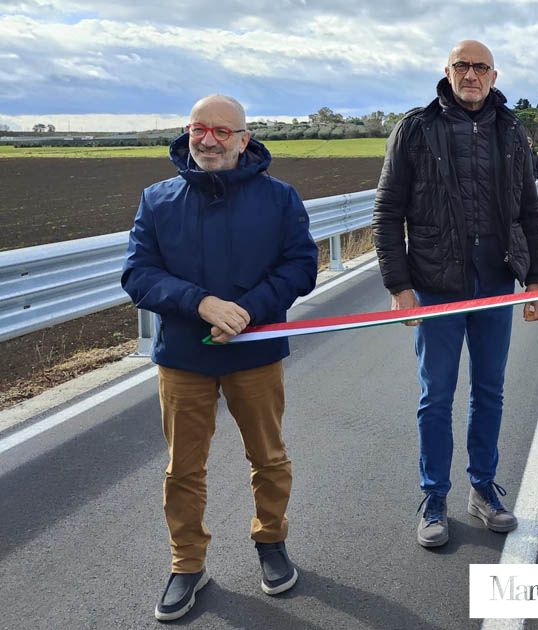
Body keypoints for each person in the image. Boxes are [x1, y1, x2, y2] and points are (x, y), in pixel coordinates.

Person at [122, 94, 318, 621]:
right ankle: (187, 565)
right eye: (199, 128)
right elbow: (137, 274)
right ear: (188, 132)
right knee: (183, 468)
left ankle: (271, 542)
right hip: (184, 357)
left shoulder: (279, 199)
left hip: (255, 352)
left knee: (269, 457)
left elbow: (301, 266)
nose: (208, 139)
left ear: (244, 139)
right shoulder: (157, 200)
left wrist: (247, 312)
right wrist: (200, 303)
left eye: (222, 131)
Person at [372, 40, 538, 549]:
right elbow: (387, 211)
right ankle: (434, 496)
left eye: (480, 67)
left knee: (489, 390)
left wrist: (535, 278)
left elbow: (528, 212)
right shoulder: (416, 128)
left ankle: (483, 487)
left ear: (494, 75)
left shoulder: (512, 130)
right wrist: (399, 285)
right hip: (435, 284)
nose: (471, 74)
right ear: (447, 71)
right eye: (462, 66)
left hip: (495, 280)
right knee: (436, 396)